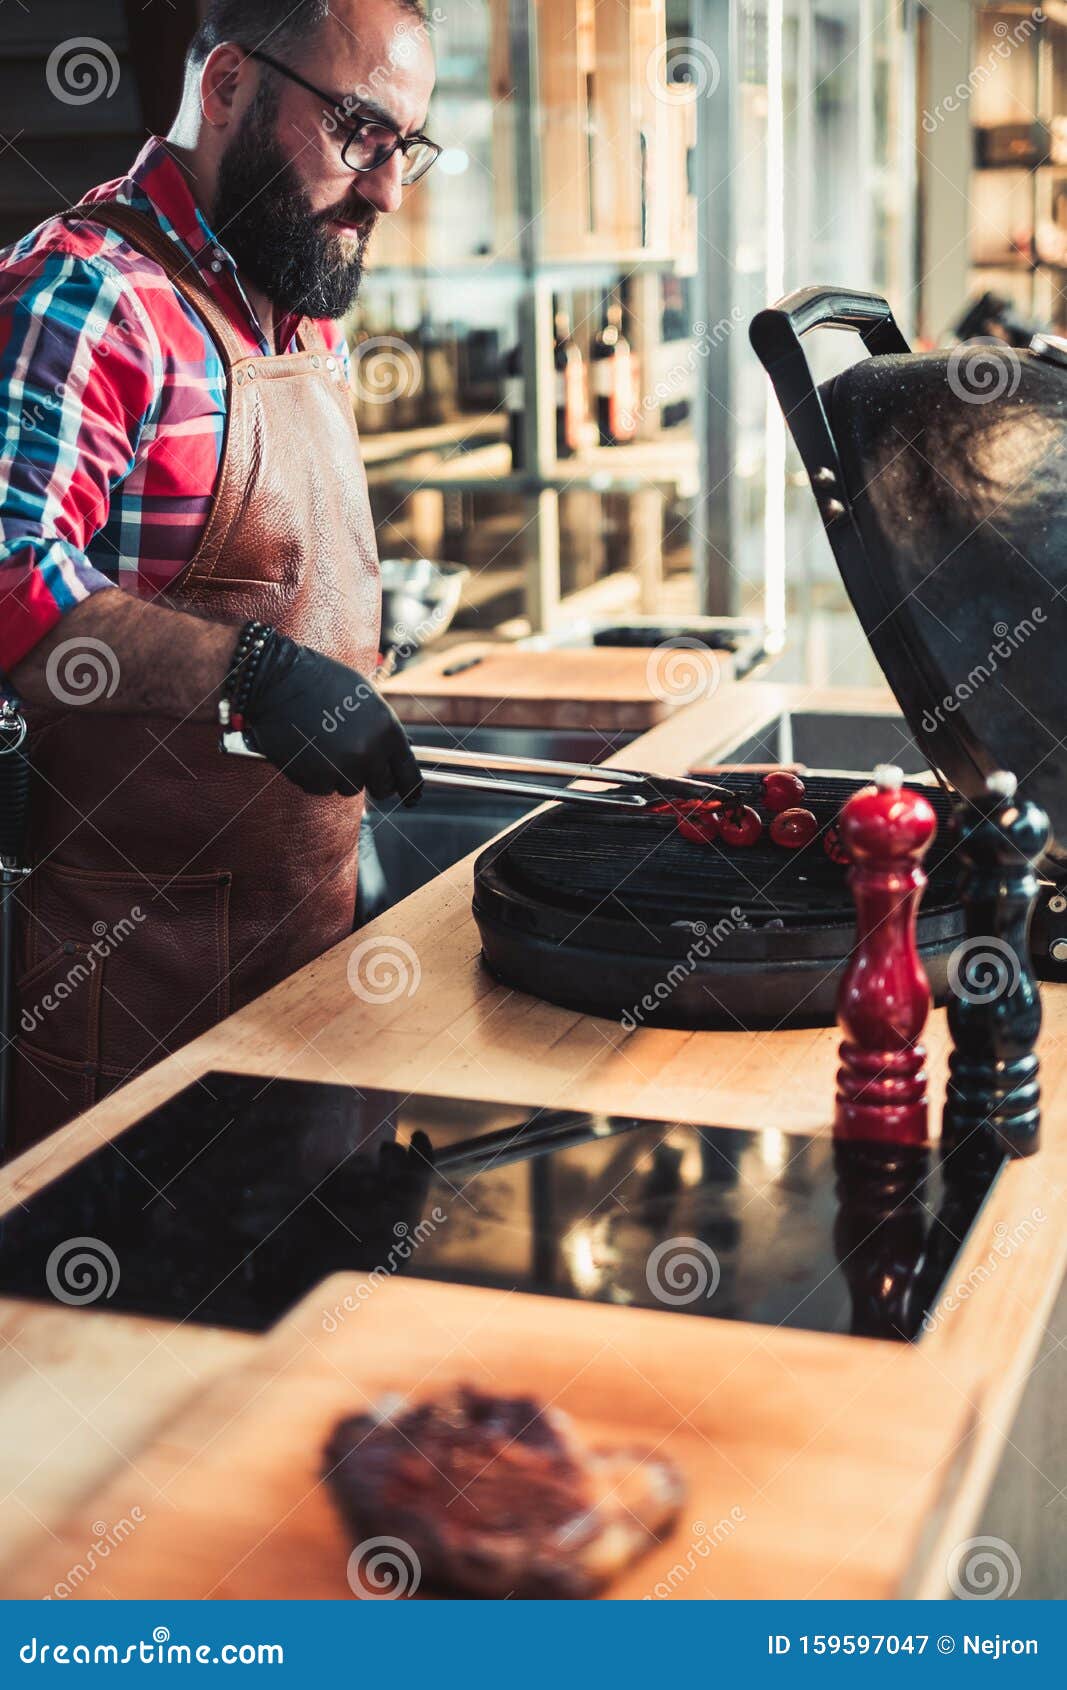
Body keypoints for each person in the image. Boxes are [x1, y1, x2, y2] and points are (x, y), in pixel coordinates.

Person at [0, 0, 438, 1150]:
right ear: (231, 85)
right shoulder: (86, 292)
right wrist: (250, 673)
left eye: (407, 146)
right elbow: (6, 575)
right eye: (360, 132)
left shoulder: (297, 309)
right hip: (134, 1016)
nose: (388, 189)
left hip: (311, 978)